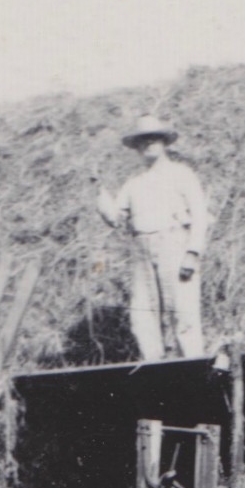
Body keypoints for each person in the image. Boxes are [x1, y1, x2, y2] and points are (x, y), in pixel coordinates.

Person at [90, 115, 211, 360]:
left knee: (183, 312)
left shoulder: (182, 174)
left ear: (164, 142)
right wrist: (98, 189)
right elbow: (114, 217)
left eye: (154, 138)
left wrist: (192, 252)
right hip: (141, 249)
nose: (149, 144)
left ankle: (192, 366)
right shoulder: (134, 183)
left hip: (175, 244)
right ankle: (155, 369)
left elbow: (200, 215)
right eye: (143, 140)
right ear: (136, 146)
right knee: (142, 315)